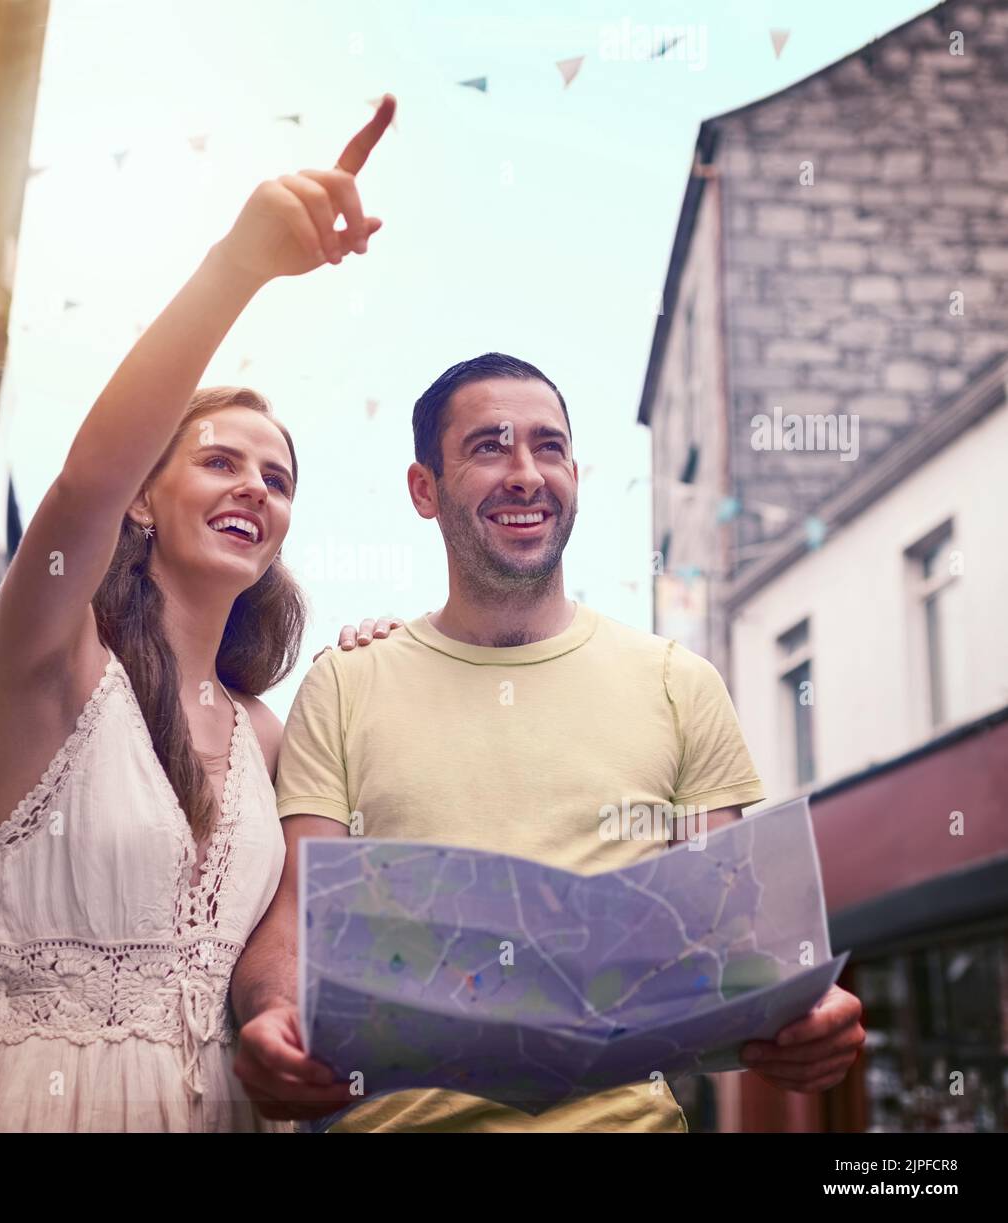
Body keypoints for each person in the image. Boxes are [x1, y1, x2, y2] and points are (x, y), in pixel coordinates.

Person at [230, 352, 867, 1132]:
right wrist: (268, 1015)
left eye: (550, 446)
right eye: (489, 446)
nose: (527, 473)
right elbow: (296, 917)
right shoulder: (345, 682)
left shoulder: (680, 683)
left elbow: (731, 937)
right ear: (424, 489)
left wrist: (811, 1003)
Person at [0, 95, 398, 1132]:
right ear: (146, 495)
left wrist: (375, 671)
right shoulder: (52, 657)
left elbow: (327, 916)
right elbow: (84, 482)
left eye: (276, 478)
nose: (253, 488)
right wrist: (241, 262)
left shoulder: (271, 734)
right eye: (219, 460)